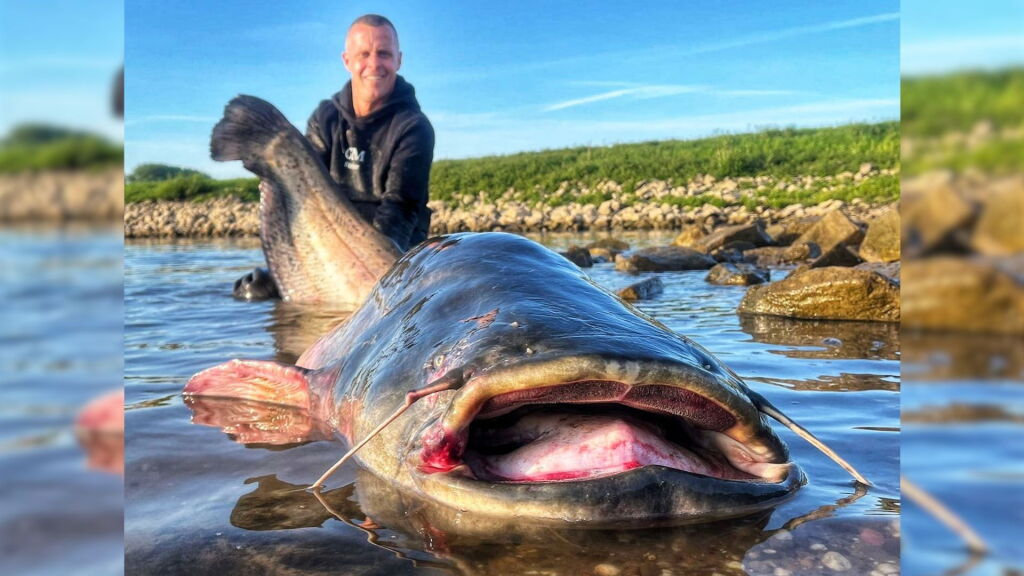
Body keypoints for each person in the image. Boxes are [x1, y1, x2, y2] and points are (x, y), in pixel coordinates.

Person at [235, 14, 435, 300]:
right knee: (252, 290)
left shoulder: (414, 127)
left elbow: (401, 209)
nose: (375, 64)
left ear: (399, 60)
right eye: (364, 54)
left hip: (395, 256)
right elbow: (305, 195)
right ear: (347, 60)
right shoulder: (325, 118)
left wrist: (366, 270)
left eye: (384, 54)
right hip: (329, 245)